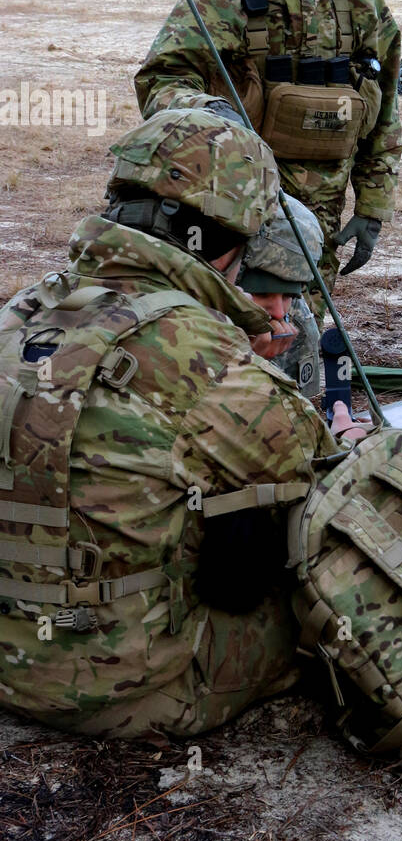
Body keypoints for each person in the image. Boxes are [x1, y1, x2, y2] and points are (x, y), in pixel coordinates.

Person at [0, 110, 366, 739]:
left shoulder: (27, 307)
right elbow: (327, 482)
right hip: (121, 690)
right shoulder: (203, 356)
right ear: (227, 238)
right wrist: (354, 443)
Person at [134, 0, 402, 298]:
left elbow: (385, 107)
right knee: (234, 335)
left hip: (320, 218)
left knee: (301, 337)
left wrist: (373, 204)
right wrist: (208, 113)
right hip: (232, 204)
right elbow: (163, 79)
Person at [236, 193, 324, 403]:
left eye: (288, 295)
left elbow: (296, 422)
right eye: (261, 293)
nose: (278, 312)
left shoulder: (297, 325)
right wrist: (241, 363)